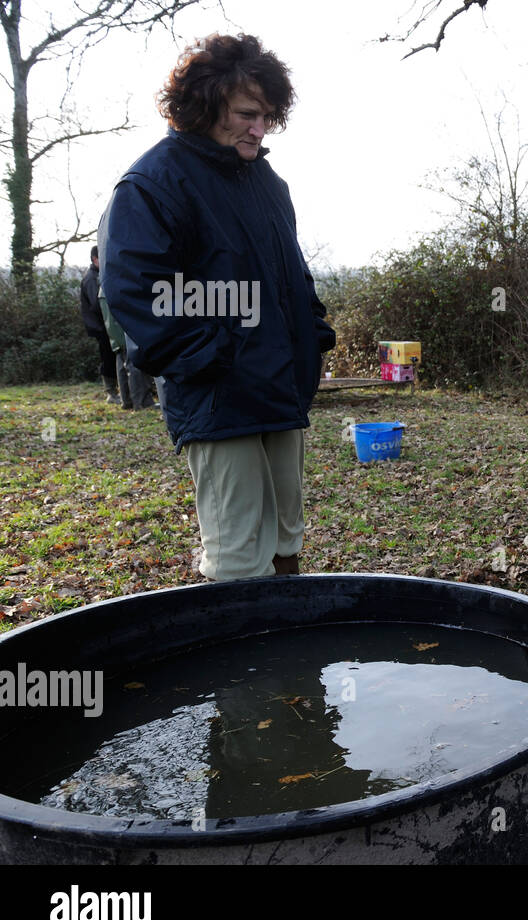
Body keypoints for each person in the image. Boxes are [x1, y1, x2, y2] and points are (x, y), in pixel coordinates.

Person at [100, 34, 335, 580]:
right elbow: (136, 290)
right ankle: (246, 664)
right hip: (217, 397)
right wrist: (213, 356)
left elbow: (293, 274)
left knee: (285, 537)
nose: (261, 129)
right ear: (205, 105)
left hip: (280, 387)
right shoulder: (152, 182)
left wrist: (314, 334)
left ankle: (291, 659)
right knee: (237, 553)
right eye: (248, 115)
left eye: (269, 117)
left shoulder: (267, 182)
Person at [79, 247, 118, 403]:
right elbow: (97, 304)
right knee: (107, 357)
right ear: (95, 259)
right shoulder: (91, 279)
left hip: (104, 324)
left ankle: (115, 391)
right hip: (100, 326)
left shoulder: (98, 275)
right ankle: (111, 392)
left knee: (111, 356)